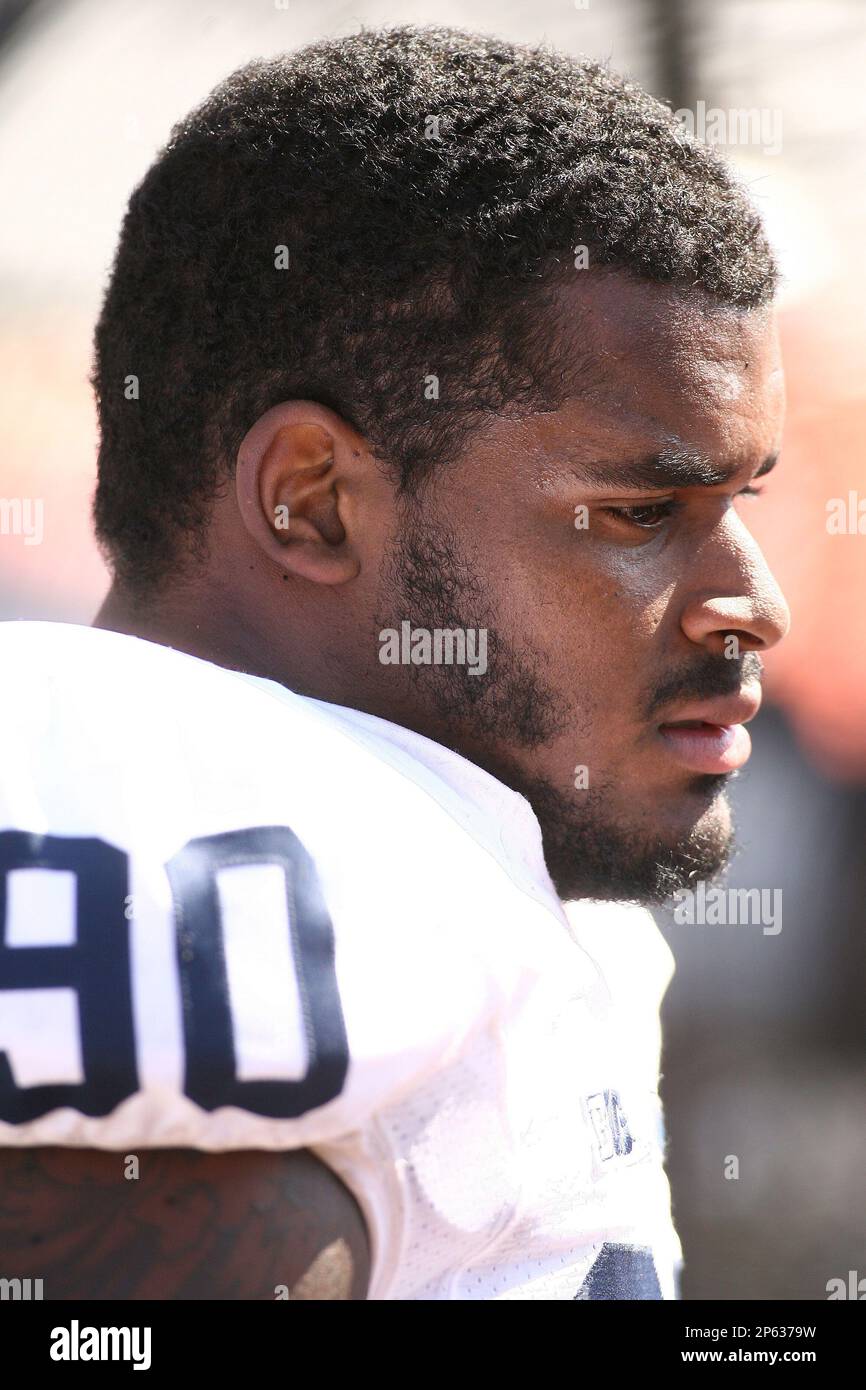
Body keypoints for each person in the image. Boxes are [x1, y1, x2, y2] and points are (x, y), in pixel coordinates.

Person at [0, 23, 789, 1299]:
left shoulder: (494, 860)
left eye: (743, 499)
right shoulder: (237, 855)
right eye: (640, 513)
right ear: (312, 501)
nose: (755, 606)